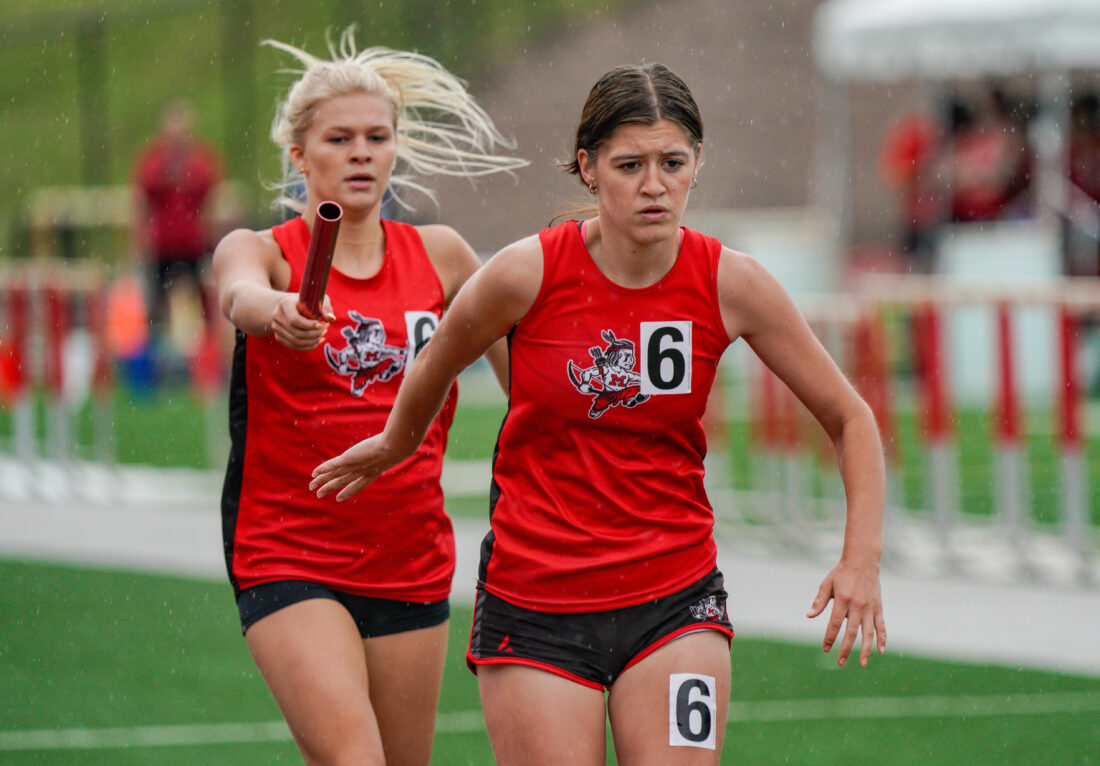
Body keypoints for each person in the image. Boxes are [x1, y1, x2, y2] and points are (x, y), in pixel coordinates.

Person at [312, 63, 887, 765]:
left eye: (672, 163)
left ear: (698, 163)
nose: (654, 185)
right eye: (629, 165)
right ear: (587, 167)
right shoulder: (524, 274)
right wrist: (394, 443)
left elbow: (850, 418)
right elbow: (437, 360)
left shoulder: (731, 283)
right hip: (536, 607)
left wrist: (861, 560)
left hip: (677, 602)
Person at [213, 30, 521, 766]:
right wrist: (278, 314)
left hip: (410, 554)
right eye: (339, 138)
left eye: (377, 138)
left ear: (394, 149)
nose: (361, 153)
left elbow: (529, 383)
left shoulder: (443, 255)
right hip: (287, 550)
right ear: (300, 155)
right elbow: (238, 293)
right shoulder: (266, 251)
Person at [132, 98, 222, 340]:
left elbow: (210, 200)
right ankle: (156, 346)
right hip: (163, 244)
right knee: (156, 303)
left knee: (204, 300)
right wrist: (140, 241)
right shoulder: (155, 161)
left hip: (192, 243)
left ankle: (208, 348)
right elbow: (142, 201)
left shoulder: (200, 161)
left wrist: (211, 237)